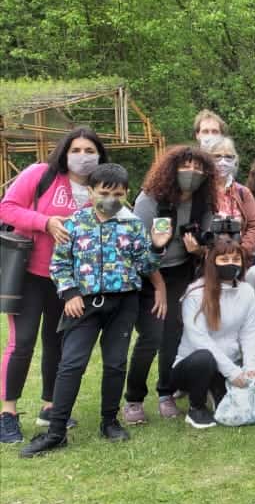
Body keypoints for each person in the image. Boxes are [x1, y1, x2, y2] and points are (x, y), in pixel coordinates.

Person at [20, 164, 168, 457]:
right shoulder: (74, 224)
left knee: (115, 363)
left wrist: (157, 247)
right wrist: (70, 293)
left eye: (118, 193)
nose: (110, 198)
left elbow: (144, 266)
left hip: (124, 303)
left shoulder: (133, 225)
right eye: (104, 192)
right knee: (72, 363)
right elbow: (59, 264)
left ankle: (109, 421)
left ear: (126, 193)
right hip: (83, 305)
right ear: (90, 191)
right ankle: (56, 430)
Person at [0, 127, 109, 444]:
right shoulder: (40, 174)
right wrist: (44, 222)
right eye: (77, 149)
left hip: (69, 280)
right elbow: (7, 207)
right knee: (22, 342)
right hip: (29, 273)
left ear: (100, 155)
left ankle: (50, 406)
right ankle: (7, 413)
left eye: (90, 150)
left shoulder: (99, 187)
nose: (83, 156)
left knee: (57, 341)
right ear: (65, 151)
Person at [124, 144, 220, 425]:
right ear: (171, 169)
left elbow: (208, 244)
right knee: (151, 335)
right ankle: (134, 398)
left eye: (198, 168)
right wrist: (159, 286)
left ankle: (165, 392)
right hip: (146, 276)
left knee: (173, 335)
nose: (192, 172)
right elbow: (138, 250)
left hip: (179, 272)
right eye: (185, 166)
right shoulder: (150, 200)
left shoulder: (204, 202)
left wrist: (198, 251)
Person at [170, 237, 255, 430]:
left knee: (234, 407)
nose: (231, 264)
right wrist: (233, 372)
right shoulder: (195, 293)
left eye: (236, 260)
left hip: (228, 363)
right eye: (224, 259)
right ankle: (196, 408)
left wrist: (251, 367)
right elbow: (199, 340)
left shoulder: (246, 291)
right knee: (204, 357)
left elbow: (250, 331)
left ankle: (216, 388)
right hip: (193, 365)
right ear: (212, 262)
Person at [208, 136, 255, 254]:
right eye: (217, 156)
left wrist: (242, 251)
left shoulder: (243, 192)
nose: (223, 161)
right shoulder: (201, 190)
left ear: (235, 160)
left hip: (237, 259)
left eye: (228, 156)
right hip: (206, 259)